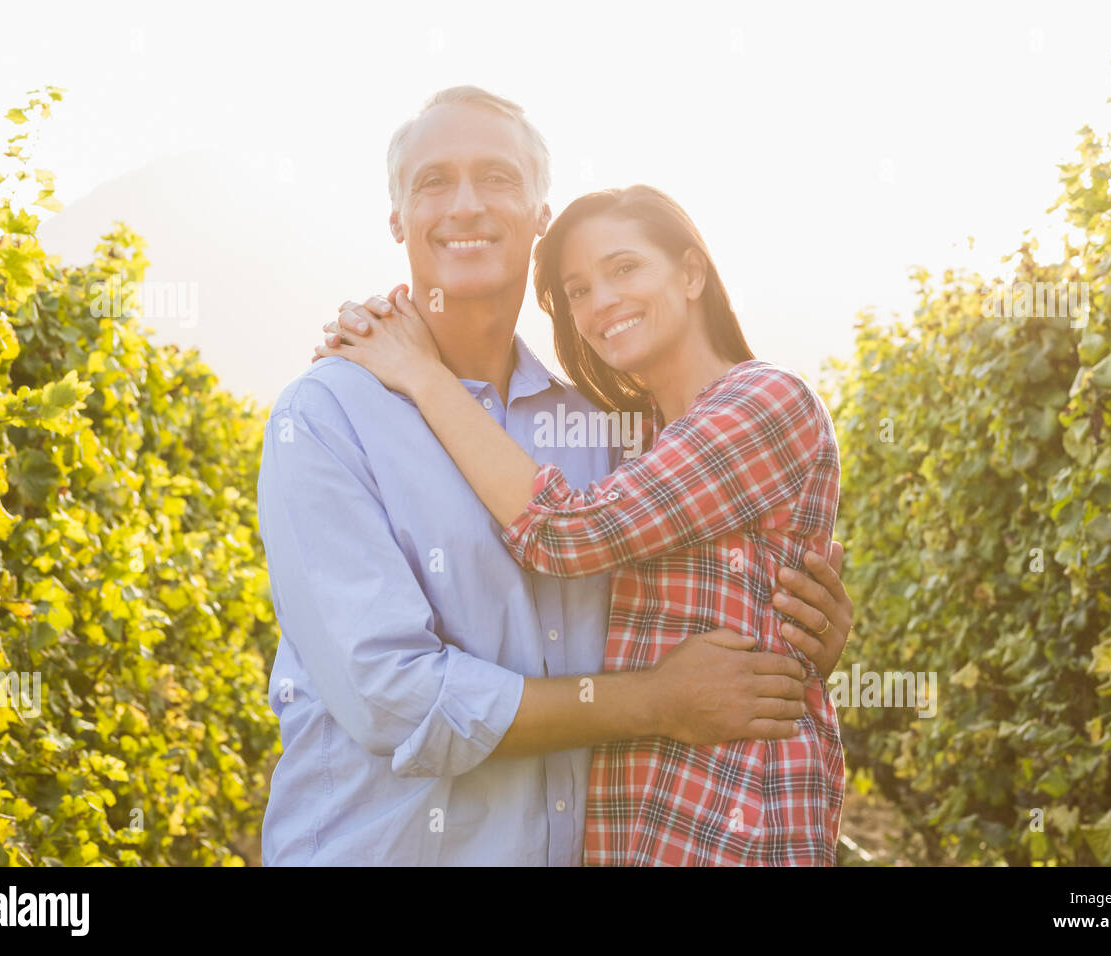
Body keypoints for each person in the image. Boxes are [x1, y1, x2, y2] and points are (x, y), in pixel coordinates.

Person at [258, 85, 853, 865]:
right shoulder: (326, 417)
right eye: (435, 181)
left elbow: (662, 561)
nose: (466, 205)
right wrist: (653, 703)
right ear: (398, 216)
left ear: (540, 213)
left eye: (498, 178)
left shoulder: (609, 434)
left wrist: (803, 636)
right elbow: (397, 702)